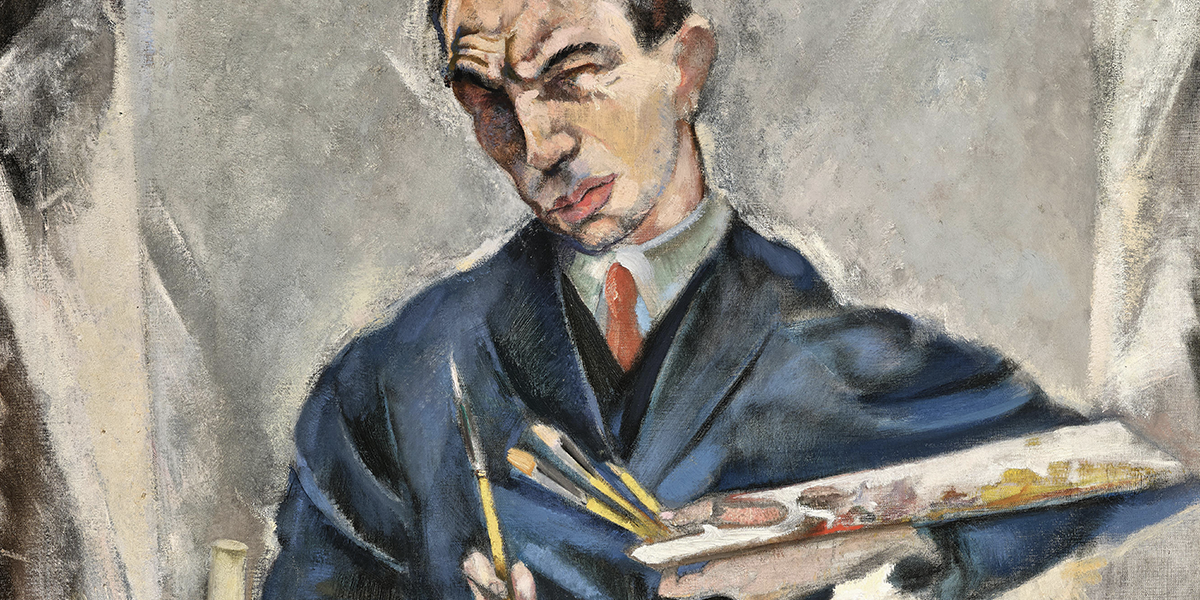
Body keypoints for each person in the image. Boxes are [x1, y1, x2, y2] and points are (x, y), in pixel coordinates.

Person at [262, 0, 1121, 598]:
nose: (535, 144)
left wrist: (883, 553)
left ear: (686, 65)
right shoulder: (396, 382)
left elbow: (1112, 479)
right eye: (487, 97)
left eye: (571, 70)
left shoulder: (843, 356)